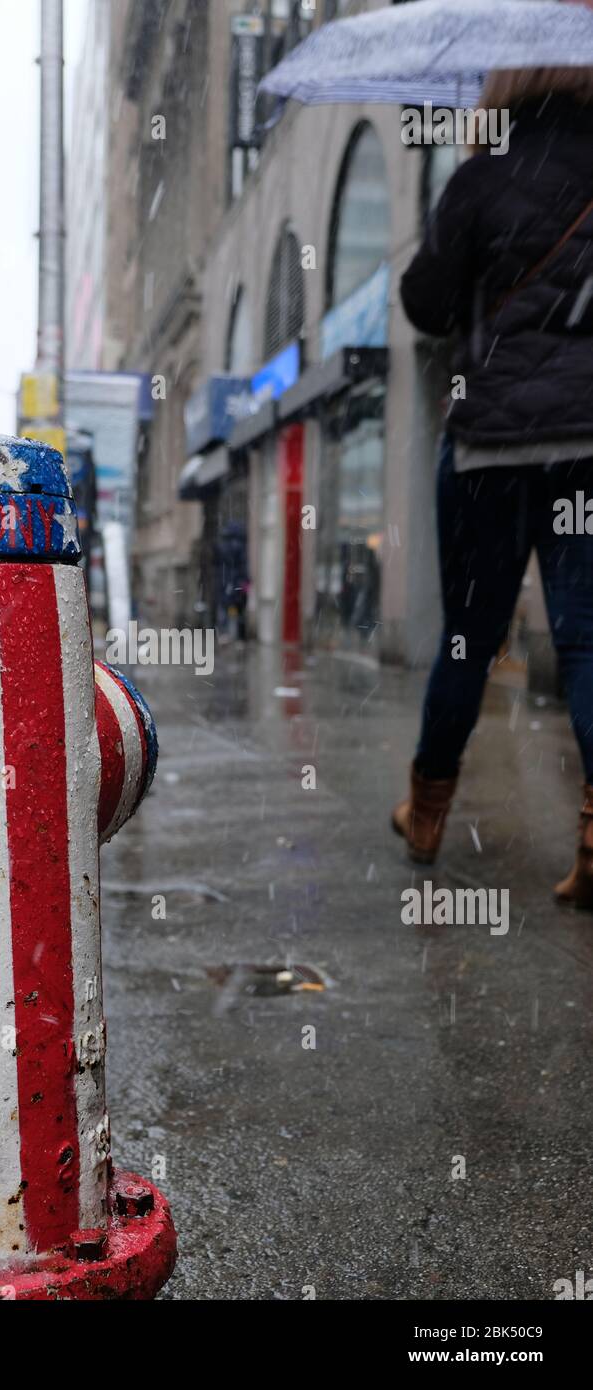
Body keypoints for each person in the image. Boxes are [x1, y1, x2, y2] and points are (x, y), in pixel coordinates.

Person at [393, 65, 593, 908]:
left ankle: (429, 810)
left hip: (488, 448)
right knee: (585, 639)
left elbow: (428, 307)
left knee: (469, 642)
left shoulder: (481, 174)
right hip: (587, 442)